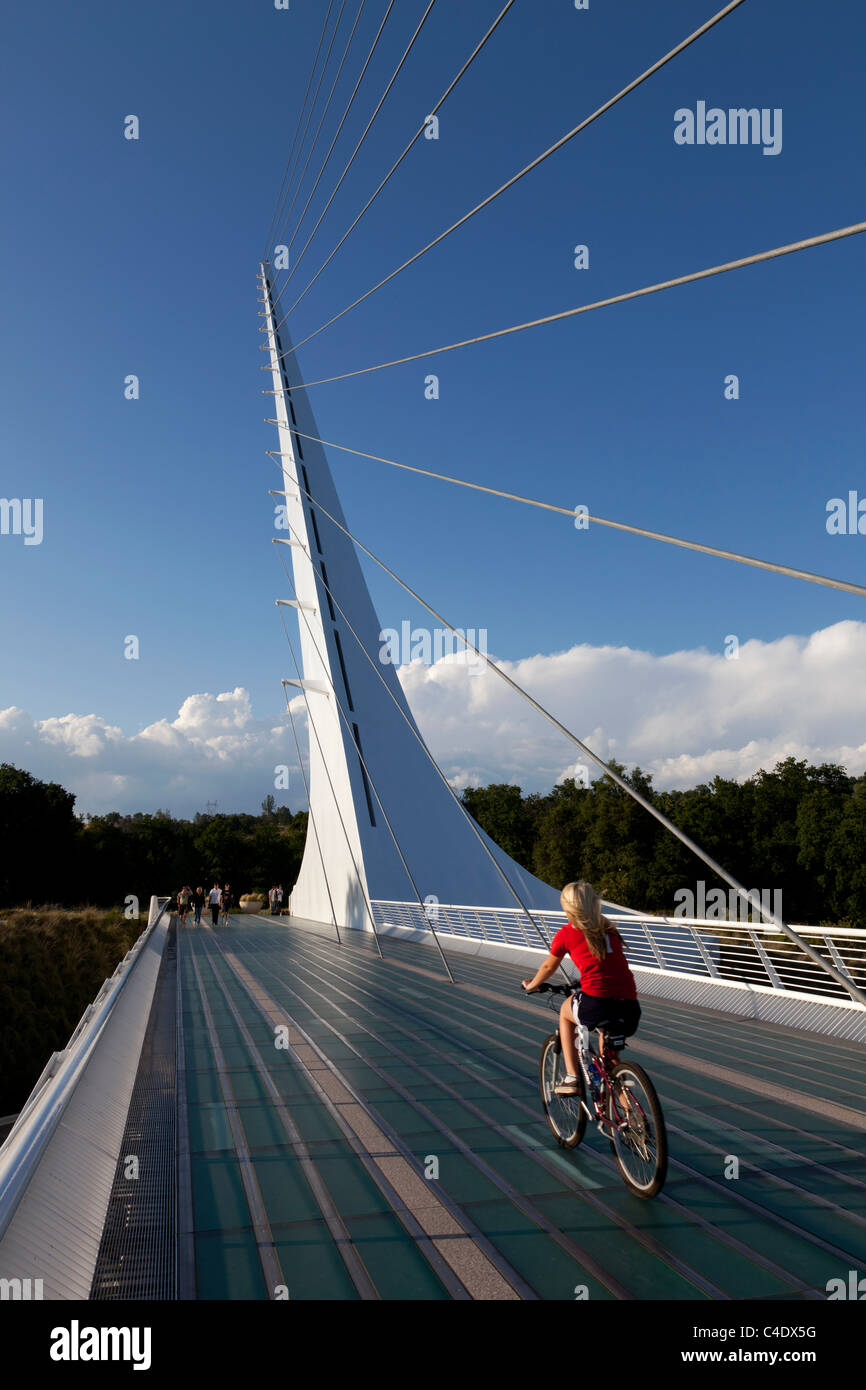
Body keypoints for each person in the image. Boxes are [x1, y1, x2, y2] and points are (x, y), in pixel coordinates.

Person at [522, 880, 640, 1096]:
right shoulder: (609, 929)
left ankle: (572, 1077)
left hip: (597, 1003)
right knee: (612, 1063)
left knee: (566, 1013)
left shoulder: (567, 933)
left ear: (567, 908)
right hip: (630, 1006)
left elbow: (549, 966)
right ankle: (633, 1123)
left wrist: (532, 984)